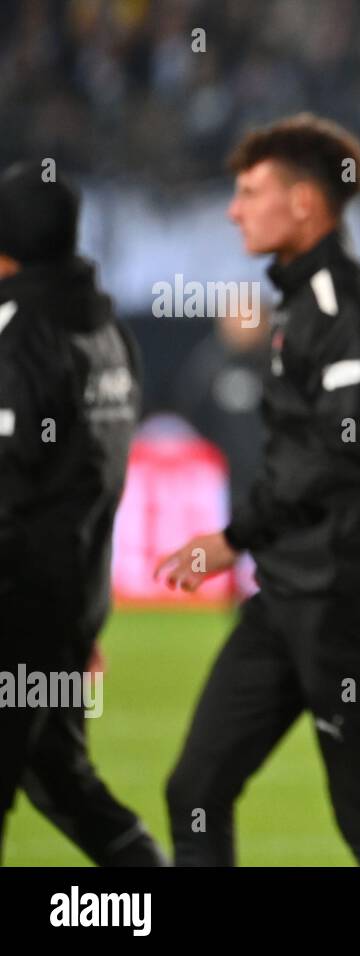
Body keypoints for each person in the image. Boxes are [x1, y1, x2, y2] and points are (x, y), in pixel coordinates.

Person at [154, 114, 360, 866]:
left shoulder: (352, 312)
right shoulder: (302, 307)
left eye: (250, 192)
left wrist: (234, 537)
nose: (233, 209)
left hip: (349, 598)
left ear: (305, 204)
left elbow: (343, 454)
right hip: (289, 592)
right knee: (195, 788)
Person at [0, 161, 166, 865]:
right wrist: (73, 620)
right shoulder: (107, 335)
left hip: (16, 605)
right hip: (70, 600)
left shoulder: (22, 335)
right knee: (57, 774)